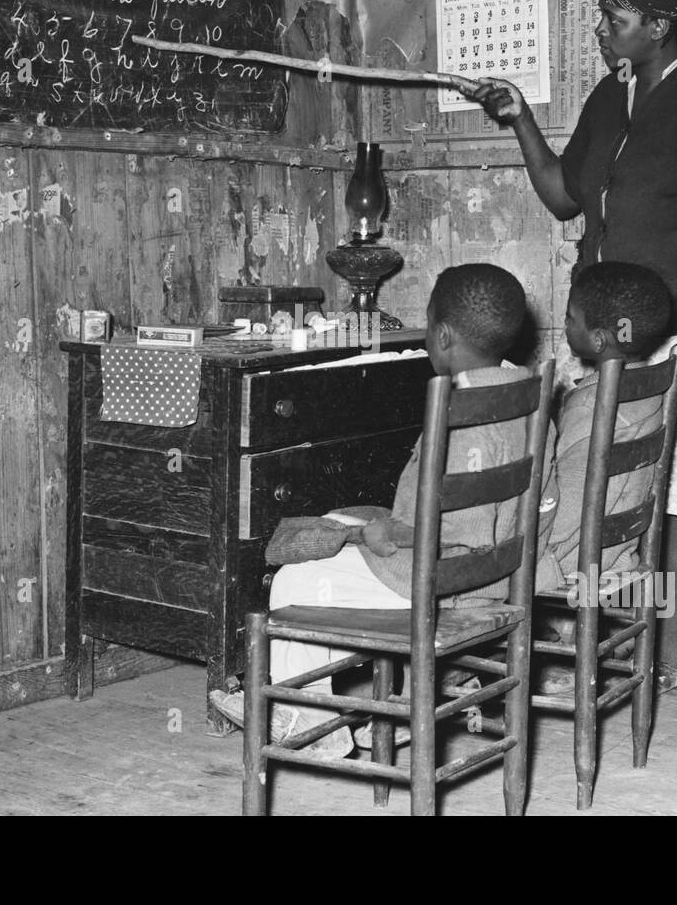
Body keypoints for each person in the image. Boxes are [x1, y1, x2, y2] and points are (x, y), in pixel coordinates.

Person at [470, 0, 677, 691]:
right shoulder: (609, 99)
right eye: (603, 14)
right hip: (599, 339)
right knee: (592, 489)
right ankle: (594, 635)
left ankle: (673, 648)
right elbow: (566, 196)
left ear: (661, 24)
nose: (602, 29)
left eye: (617, 17)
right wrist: (520, 120)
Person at [210, 263, 531, 757]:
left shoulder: (457, 409)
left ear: (441, 335)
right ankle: (382, 701)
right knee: (343, 523)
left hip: (441, 582)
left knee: (298, 579)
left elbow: (447, 532)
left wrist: (383, 532)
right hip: (498, 575)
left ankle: (308, 721)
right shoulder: (526, 394)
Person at [535, 261, 672, 594]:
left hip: (568, 561)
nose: (565, 325)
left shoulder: (590, 405)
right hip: (618, 553)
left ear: (597, 340)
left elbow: (564, 508)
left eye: (570, 319)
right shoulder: (650, 389)